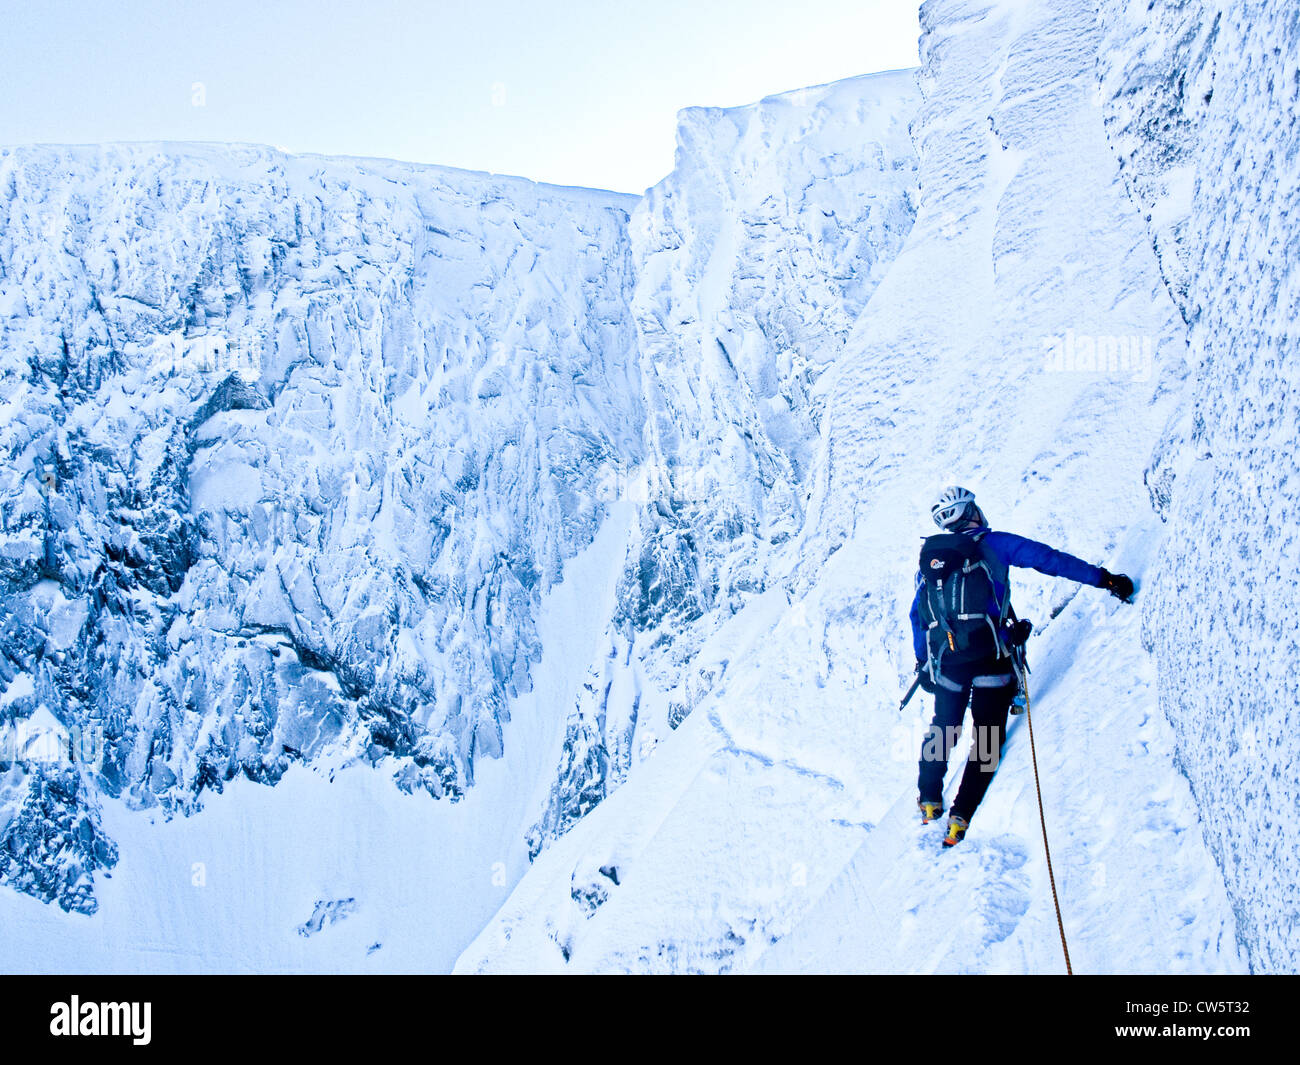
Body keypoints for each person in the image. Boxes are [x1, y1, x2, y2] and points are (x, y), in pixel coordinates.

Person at [910, 486, 1134, 847]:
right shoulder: (995, 543)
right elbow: (1051, 560)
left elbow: (917, 615)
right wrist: (1105, 579)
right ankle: (960, 816)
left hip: (948, 664)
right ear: (973, 513)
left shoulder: (932, 562)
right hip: (991, 658)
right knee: (987, 737)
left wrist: (924, 661)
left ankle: (930, 800)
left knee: (944, 729)